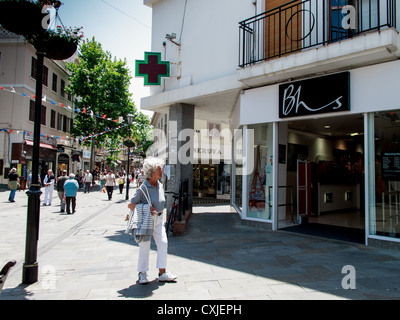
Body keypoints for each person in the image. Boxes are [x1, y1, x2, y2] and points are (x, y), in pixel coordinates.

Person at [128, 157, 177, 285]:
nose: (161, 171)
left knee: (163, 243)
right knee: (144, 246)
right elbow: (131, 205)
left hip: (159, 219)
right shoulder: (143, 188)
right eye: (159, 169)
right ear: (152, 172)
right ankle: (142, 273)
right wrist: (145, 207)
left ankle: (162, 272)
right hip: (147, 220)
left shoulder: (160, 185)